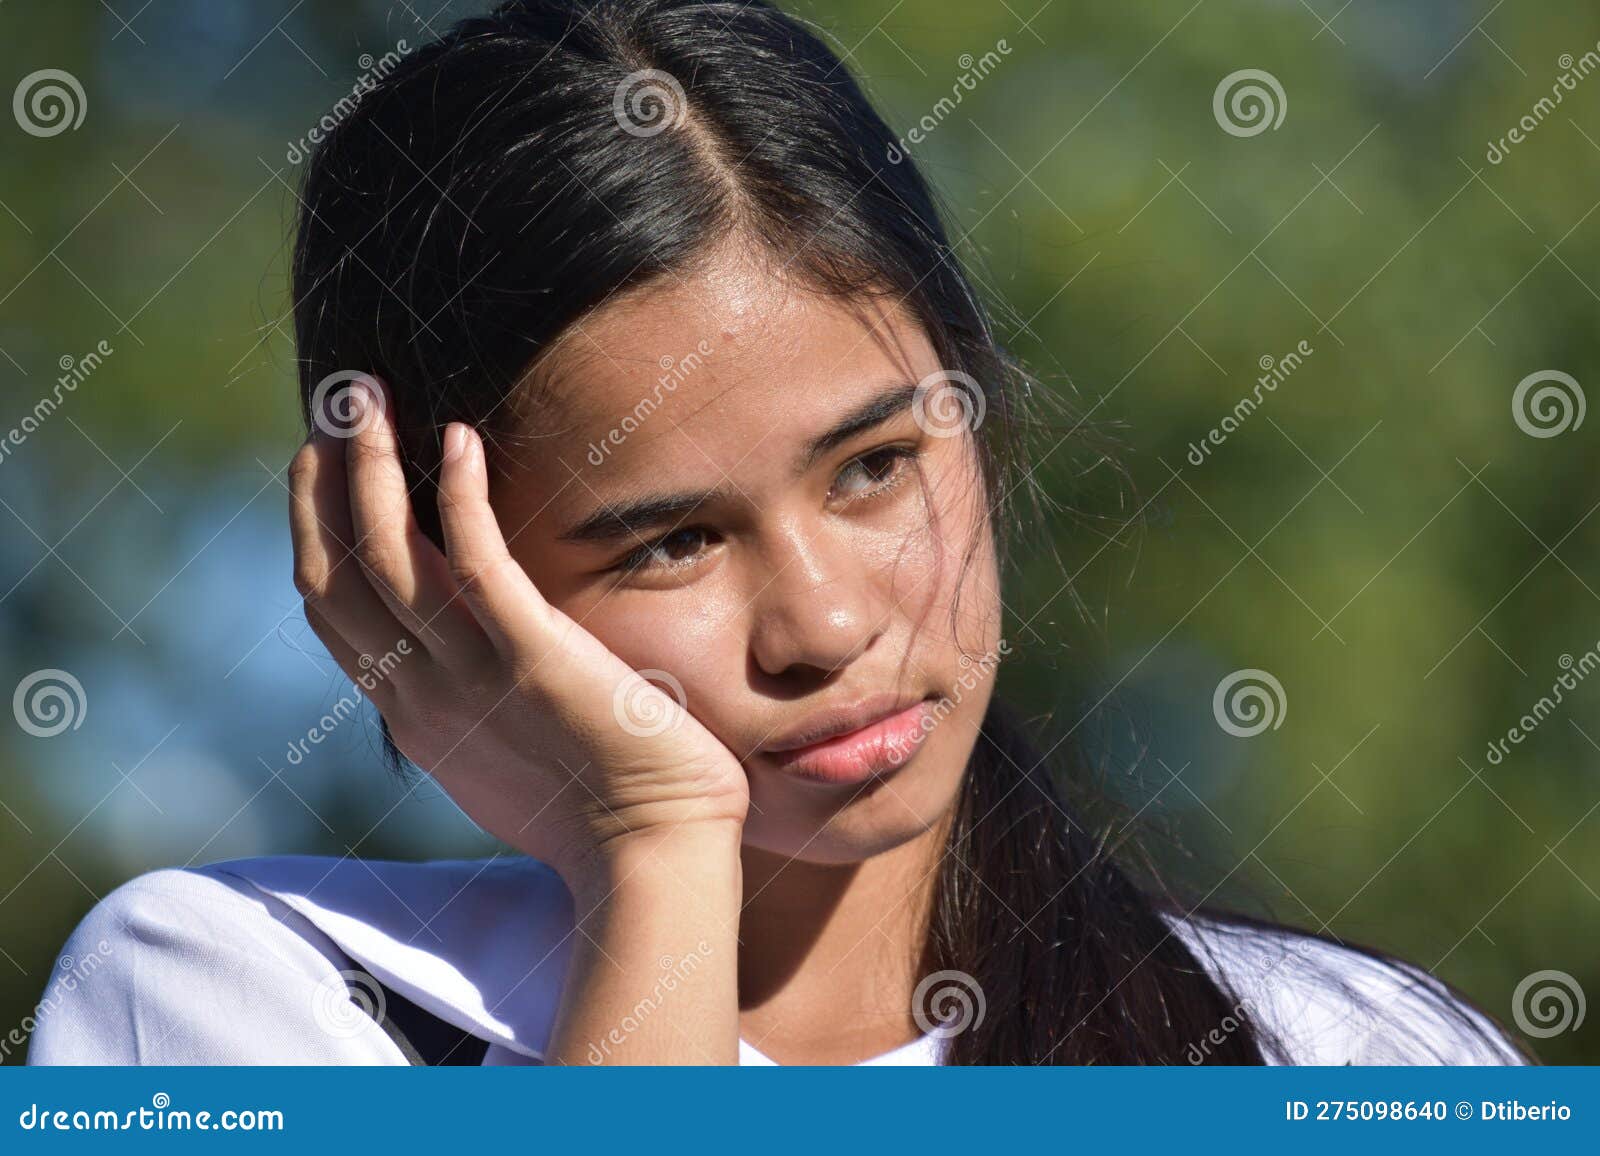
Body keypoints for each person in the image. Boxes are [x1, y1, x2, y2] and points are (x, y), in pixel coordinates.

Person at [29, 0, 1528, 1066]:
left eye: (874, 465)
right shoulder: (246, 1003)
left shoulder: (1342, 1054)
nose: (821, 625)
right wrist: (651, 851)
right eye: (668, 542)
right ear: (422, 576)